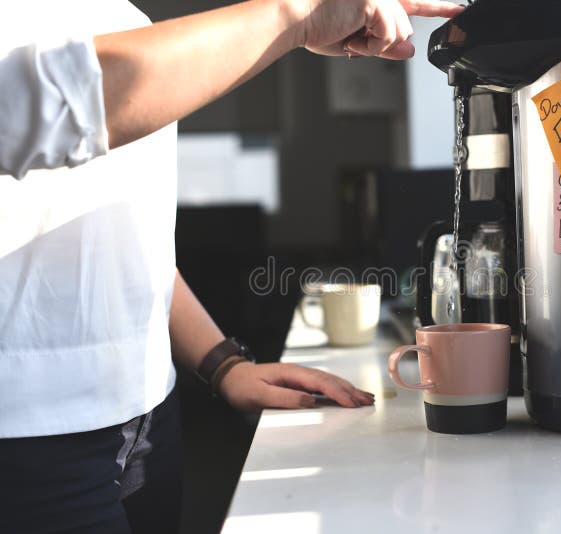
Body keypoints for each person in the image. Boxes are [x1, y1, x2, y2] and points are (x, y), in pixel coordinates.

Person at [0, 0, 463, 532]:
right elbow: (54, 101)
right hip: (27, 441)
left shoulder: (119, 14)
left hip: (148, 416)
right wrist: (298, 15)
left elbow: (126, 248)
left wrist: (224, 363)